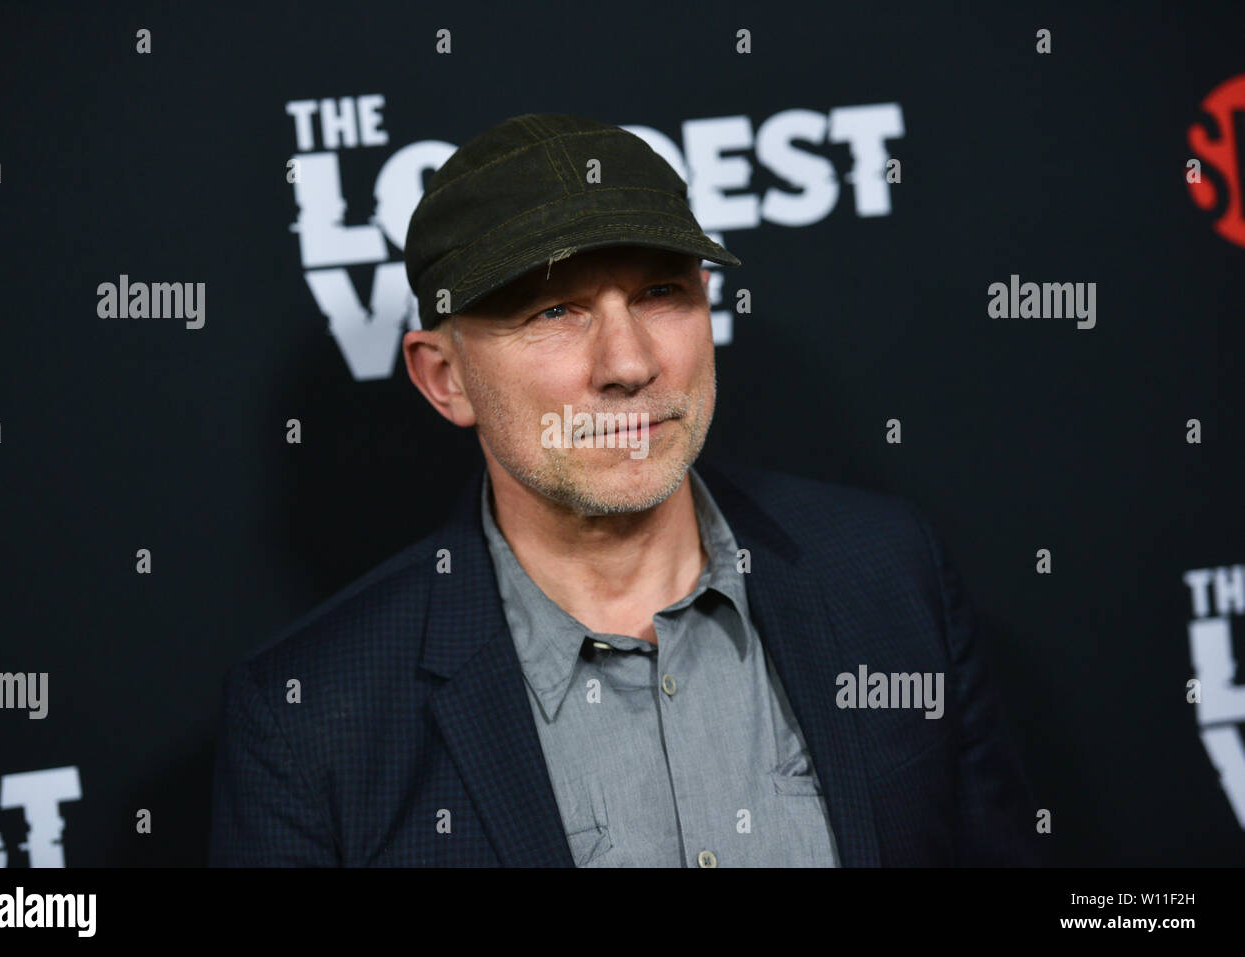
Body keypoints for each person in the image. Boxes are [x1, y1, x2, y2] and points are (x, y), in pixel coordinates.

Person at [209, 112, 1043, 867]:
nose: (630, 364)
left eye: (659, 293)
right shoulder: (311, 717)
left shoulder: (887, 571)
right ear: (444, 378)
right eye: (553, 312)